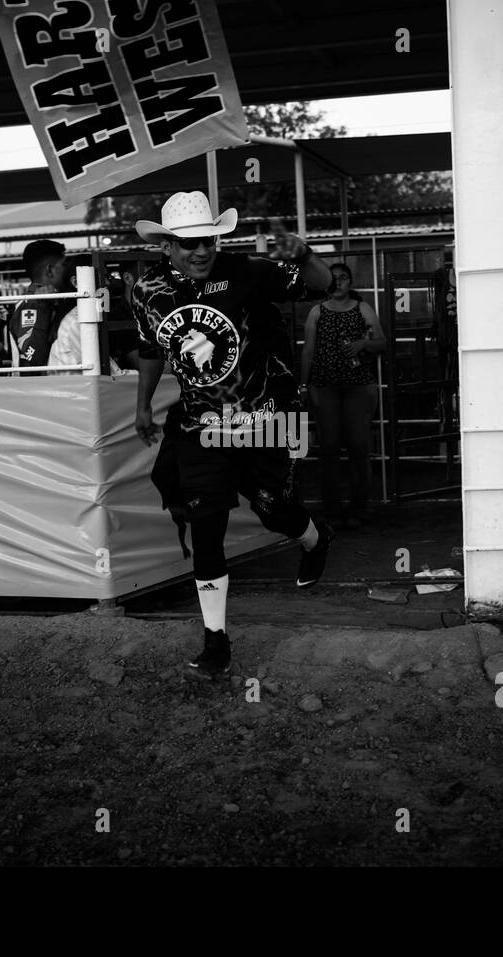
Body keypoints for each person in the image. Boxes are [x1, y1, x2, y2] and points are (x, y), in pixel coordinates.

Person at [131, 191, 333, 678]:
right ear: (165, 246)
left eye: (209, 241)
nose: (202, 251)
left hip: (268, 418)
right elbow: (151, 350)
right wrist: (142, 405)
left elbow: (321, 286)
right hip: (202, 425)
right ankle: (215, 642)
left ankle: (313, 538)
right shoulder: (147, 291)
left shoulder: (250, 272)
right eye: (189, 243)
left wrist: (304, 254)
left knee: (272, 509)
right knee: (207, 526)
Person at [301, 263, 386, 528]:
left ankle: (360, 508)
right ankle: (333, 511)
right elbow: (308, 351)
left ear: (350, 282)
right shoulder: (317, 311)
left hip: (359, 387)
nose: (338, 283)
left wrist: (364, 344)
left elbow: (382, 342)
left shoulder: (363, 309)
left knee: (359, 447)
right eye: (333, 279)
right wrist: (303, 386)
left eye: (343, 278)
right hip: (324, 386)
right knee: (329, 448)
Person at [9, 239, 68, 369]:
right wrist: (43, 308)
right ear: (50, 270)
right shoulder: (32, 305)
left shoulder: (53, 300)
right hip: (40, 386)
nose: (68, 270)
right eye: (64, 265)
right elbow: (32, 356)